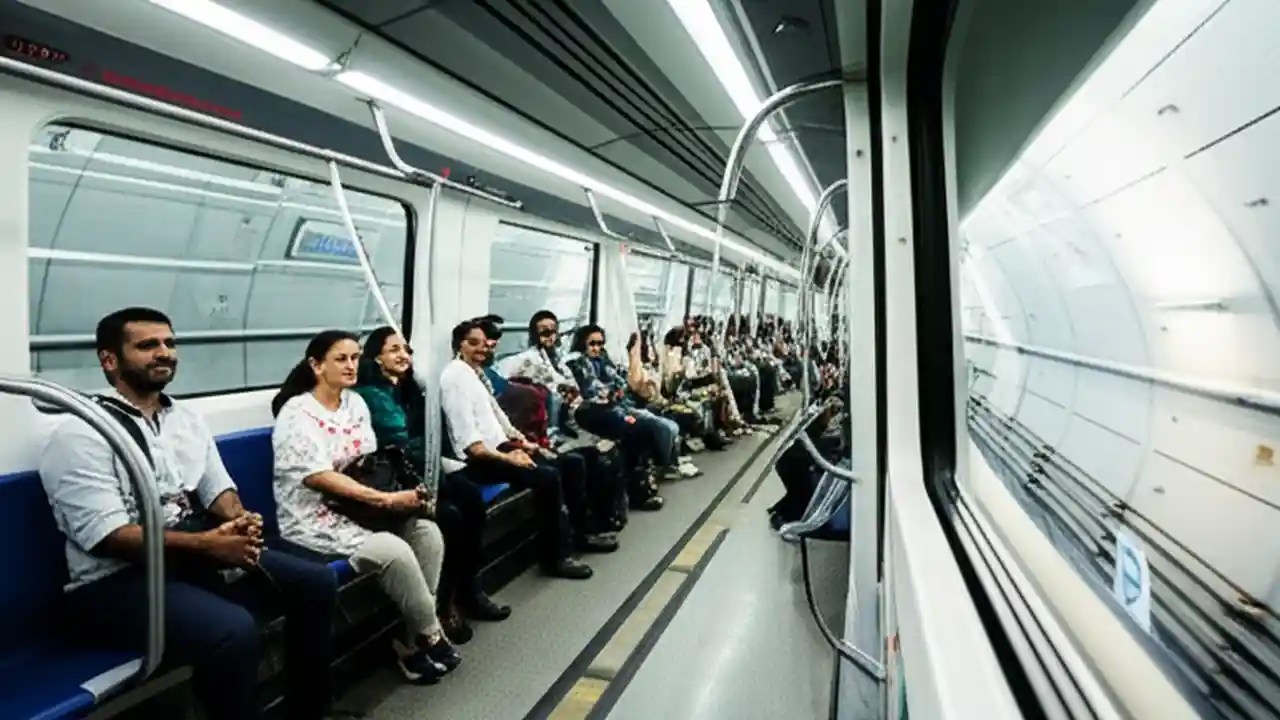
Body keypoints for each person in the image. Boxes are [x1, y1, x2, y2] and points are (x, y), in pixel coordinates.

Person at [40, 307, 337, 720]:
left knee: (315, 582)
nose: (164, 353)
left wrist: (239, 520)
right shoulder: (82, 433)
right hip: (113, 583)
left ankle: (308, 711)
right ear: (110, 360)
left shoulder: (185, 419)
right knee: (232, 631)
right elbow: (109, 537)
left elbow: (218, 491)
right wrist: (209, 545)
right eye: (147, 345)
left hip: (187, 558)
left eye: (169, 343)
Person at [271, 330, 461, 685]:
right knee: (394, 550)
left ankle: (409, 643)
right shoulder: (296, 413)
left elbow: (369, 463)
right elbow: (317, 477)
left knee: (427, 533)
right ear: (316, 365)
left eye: (355, 357)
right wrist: (387, 501)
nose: (350, 365)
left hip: (361, 508)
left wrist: (400, 497)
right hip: (316, 516)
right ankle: (432, 635)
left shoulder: (355, 404)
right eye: (341, 359)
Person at [355, 327, 511, 639]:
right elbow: (400, 438)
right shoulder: (372, 396)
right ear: (376, 358)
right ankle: (443, 603)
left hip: (423, 469)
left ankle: (468, 589)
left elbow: (431, 436)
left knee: (470, 498)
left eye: (407, 350)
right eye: (394, 350)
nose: (404, 356)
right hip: (396, 479)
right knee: (451, 518)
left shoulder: (410, 391)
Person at [440, 319, 595, 579]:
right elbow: (470, 446)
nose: (483, 348)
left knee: (573, 462)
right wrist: (509, 458)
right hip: (481, 461)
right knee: (547, 477)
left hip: (501, 448)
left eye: (484, 343)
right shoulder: (455, 378)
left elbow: (498, 418)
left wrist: (525, 443)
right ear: (459, 345)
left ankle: (578, 535)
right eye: (473, 343)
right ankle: (554, 557)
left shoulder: (474, 373)